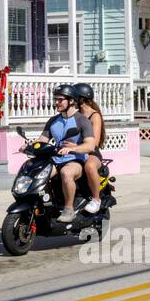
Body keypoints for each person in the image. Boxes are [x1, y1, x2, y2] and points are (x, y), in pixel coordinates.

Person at [37, 85, 95, 223]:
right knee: (39, 173)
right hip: (56, 159)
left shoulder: (82, 120)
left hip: (75, 160)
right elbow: (42, 140)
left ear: (72, 101)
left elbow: (90, 145)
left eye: (60, 100)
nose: (56, 102)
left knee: (66, 173)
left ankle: (68, 209)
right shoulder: (53, 120)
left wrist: (73, 149)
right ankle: (43, 204)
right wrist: (29, 146)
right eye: (55, 99)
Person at [66, 83, 106, 213]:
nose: (72, 100)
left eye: (74, 97)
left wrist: (76, 147)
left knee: (89, 166)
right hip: (76, 150)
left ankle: (96, 199)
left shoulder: (94, 115)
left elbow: (94, 142)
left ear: (82, 99)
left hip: (91, 152)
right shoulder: (76, 115)